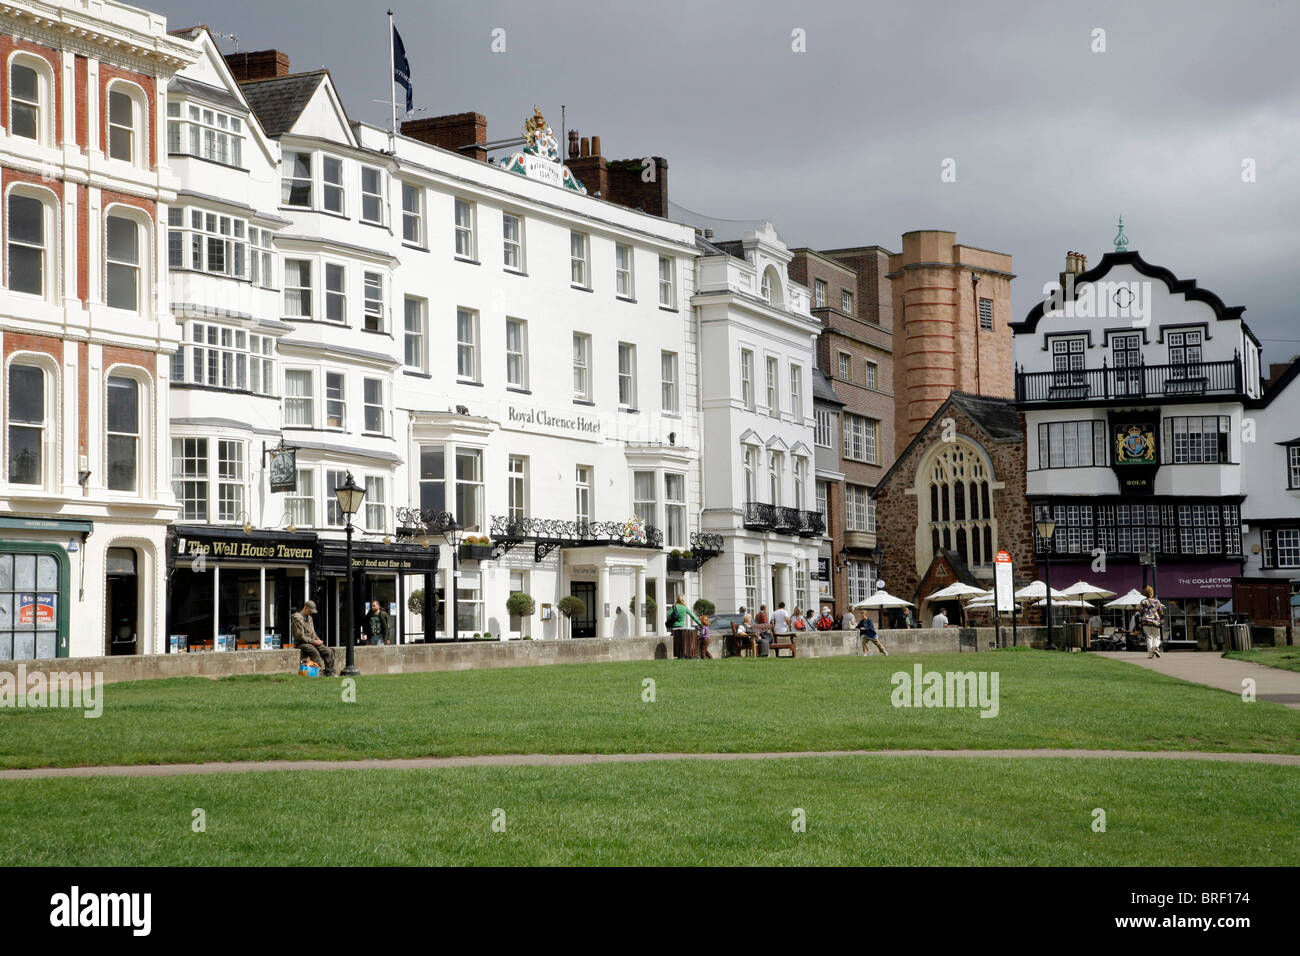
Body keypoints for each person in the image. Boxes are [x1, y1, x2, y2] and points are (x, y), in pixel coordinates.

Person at [292, 600, 336, 676]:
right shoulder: (297, 619)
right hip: (301, 643)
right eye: (310, 611)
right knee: (314, 652)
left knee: (328, 651)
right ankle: (319, 672)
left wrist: (317, 639)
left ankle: (330, 672)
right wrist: (313, 642)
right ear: (305, 608)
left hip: (312, 641)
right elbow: (300, 636)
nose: (311, 613)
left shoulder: (310, 619)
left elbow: (313, 632)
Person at [1139, 586, 1164, 659]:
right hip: (1155, 621)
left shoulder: (1142, 601)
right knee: (1156, 636)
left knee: (1149, 637)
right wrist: (1161, 620)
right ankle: (1155, 648)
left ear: (1145, 593)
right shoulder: (1157, 601)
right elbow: (1160, 612)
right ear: (1152, 593)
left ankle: (1150, 654)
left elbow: (1141, 612)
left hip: (1145, 621)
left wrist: (1140, 622)